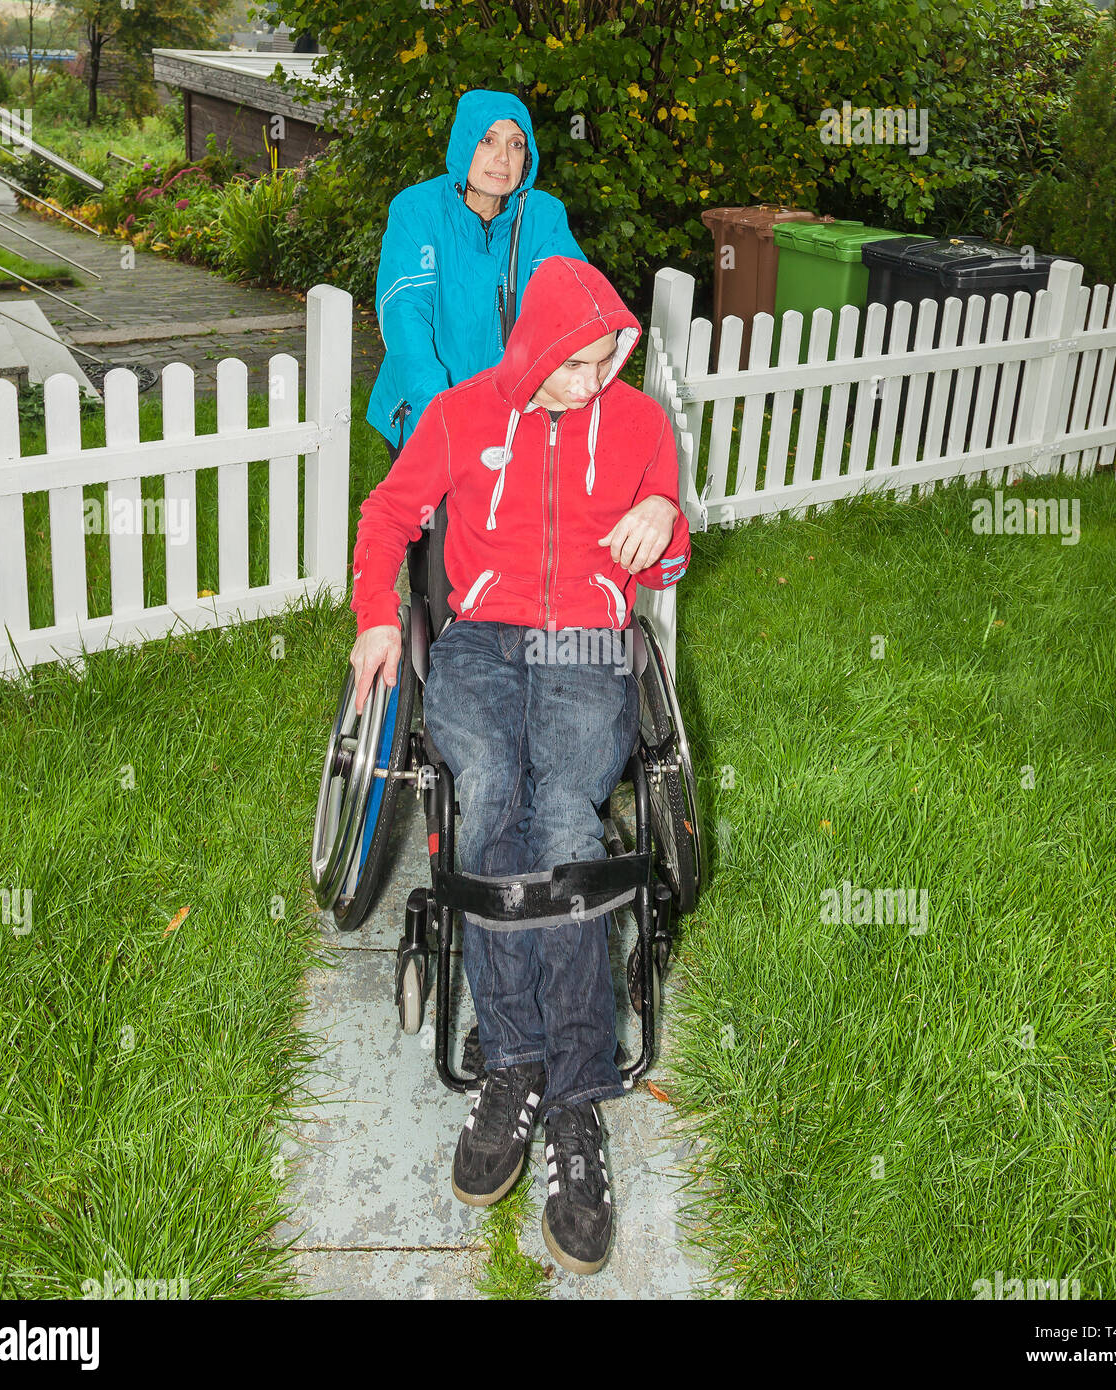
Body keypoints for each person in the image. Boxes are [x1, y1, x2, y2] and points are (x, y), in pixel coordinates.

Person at [348, 256, 691, 1276]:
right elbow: (387, 518)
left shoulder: (636, 425)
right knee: (489, 797)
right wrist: (377, 621)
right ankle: (515, 1063)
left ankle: (574, 1102)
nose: (597, 380)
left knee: (567, 827)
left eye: (608, 359)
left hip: (588, 639)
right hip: (482, 640)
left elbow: (667, 558)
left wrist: (664, 522)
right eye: (579, 364)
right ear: (536, 352)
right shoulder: (457, 414)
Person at [367, 88, 586, 460]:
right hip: (427, 411)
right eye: (487, 140)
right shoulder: (416, 211)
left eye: (516, 144)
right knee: (438, 519)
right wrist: (442, 413)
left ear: (527, 157)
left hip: (516, 414)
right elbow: (405, 317)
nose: (503, 158)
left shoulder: (543, 217)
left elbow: (575, 306)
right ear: (464, 142)